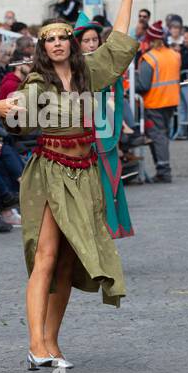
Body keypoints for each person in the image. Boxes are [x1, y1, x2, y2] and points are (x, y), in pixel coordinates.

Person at [0, 0, 138, 371]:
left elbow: (119, 44)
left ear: (73, 43)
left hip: (85, 171)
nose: (57, 43)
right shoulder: (37, 82)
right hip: (50, 172)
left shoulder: (90, 72)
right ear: (42, 48)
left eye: (63, 37)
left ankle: (51, 342)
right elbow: (18, 110)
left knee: (70, 259)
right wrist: (2, 107)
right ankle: (35, 343)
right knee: (46, 255)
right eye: (50, 39)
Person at [75, 14, 133, 240]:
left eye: (94, 40)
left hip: (100, 129)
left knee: (106, 183)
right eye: (86, 41)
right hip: (77, 132)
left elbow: (116, 88)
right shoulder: (68, 67)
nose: (91, 45)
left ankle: (106, 236)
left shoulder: (102, 66)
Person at [136, 19, 179, 183]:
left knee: (157, 136)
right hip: (171, 101)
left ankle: (163, 170)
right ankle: (163, 169)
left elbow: (144, 85)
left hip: (154, 102)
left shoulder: (149, 58)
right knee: (163, 135)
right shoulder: (175, 55)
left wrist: (130, 85)